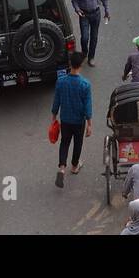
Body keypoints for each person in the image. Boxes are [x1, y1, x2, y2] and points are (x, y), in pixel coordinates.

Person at [51, 51, 92, 188]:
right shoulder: (85, 84)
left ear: (70, 64)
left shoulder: (61, 82)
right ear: (80, 65)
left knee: (64, 142)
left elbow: (56, 102)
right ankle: (75, 166)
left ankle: (62, 167)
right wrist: (89, 124)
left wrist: (53, 117)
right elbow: (87, 106)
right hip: (79, 121)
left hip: (65, 120)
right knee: (78, 143)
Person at [71, 0, 109, 66]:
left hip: (96, 14)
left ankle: (91, 57)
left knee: (94, 37)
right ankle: (84, 53)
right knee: (84, 37)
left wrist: (107, 11)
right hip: (84, 15)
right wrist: (78, 10)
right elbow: (74, 0)